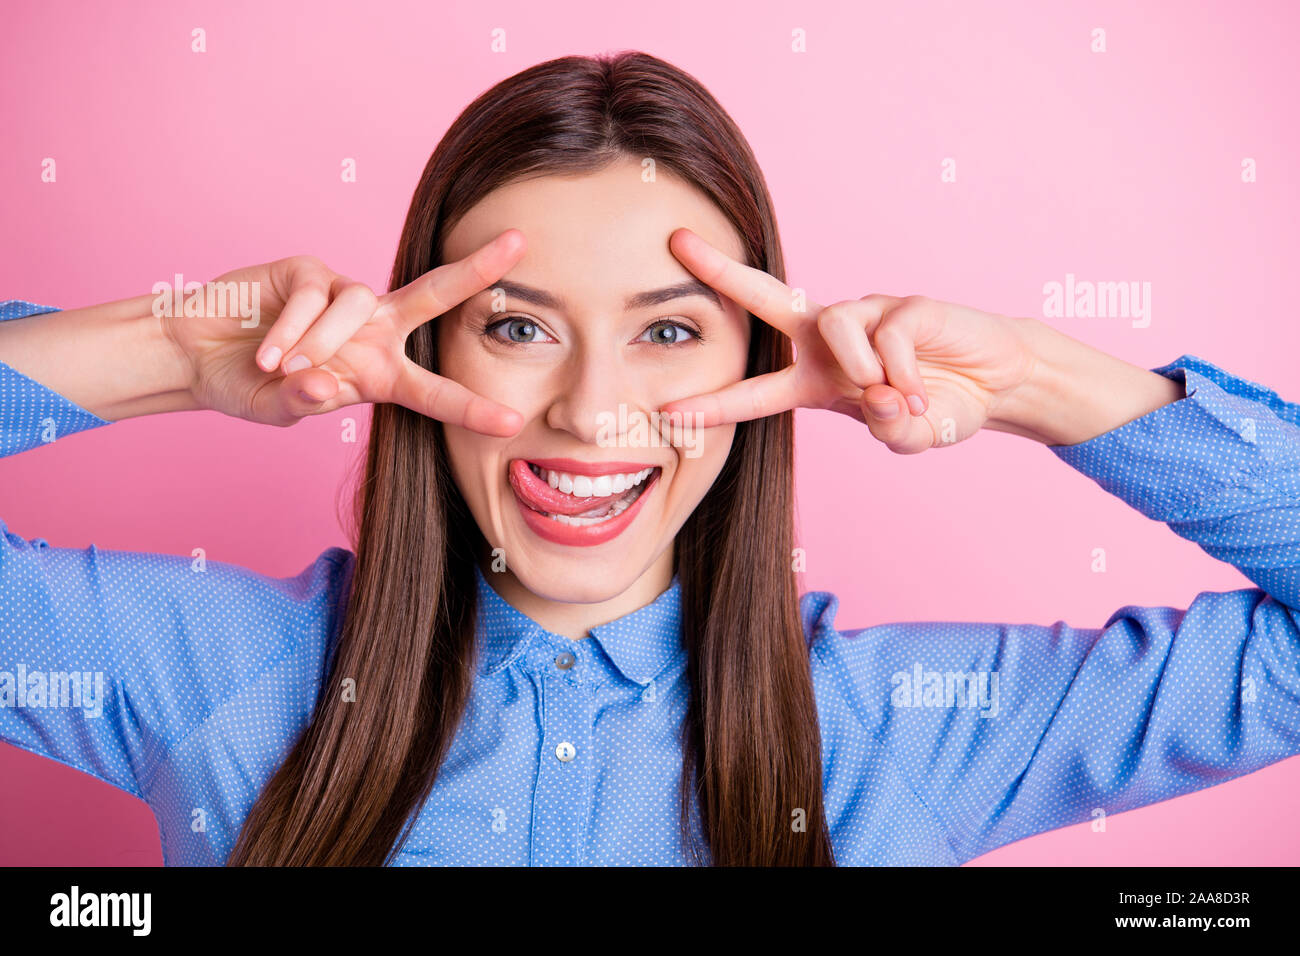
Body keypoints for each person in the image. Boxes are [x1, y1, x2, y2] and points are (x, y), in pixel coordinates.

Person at [1, 51, 1297, 867]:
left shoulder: (909, 734)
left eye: (668, 332)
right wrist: (171, 346)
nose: (592, 407)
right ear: (425, 353)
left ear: (755, 367)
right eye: (518, 329)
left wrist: (1040, 384)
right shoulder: (215, 677)